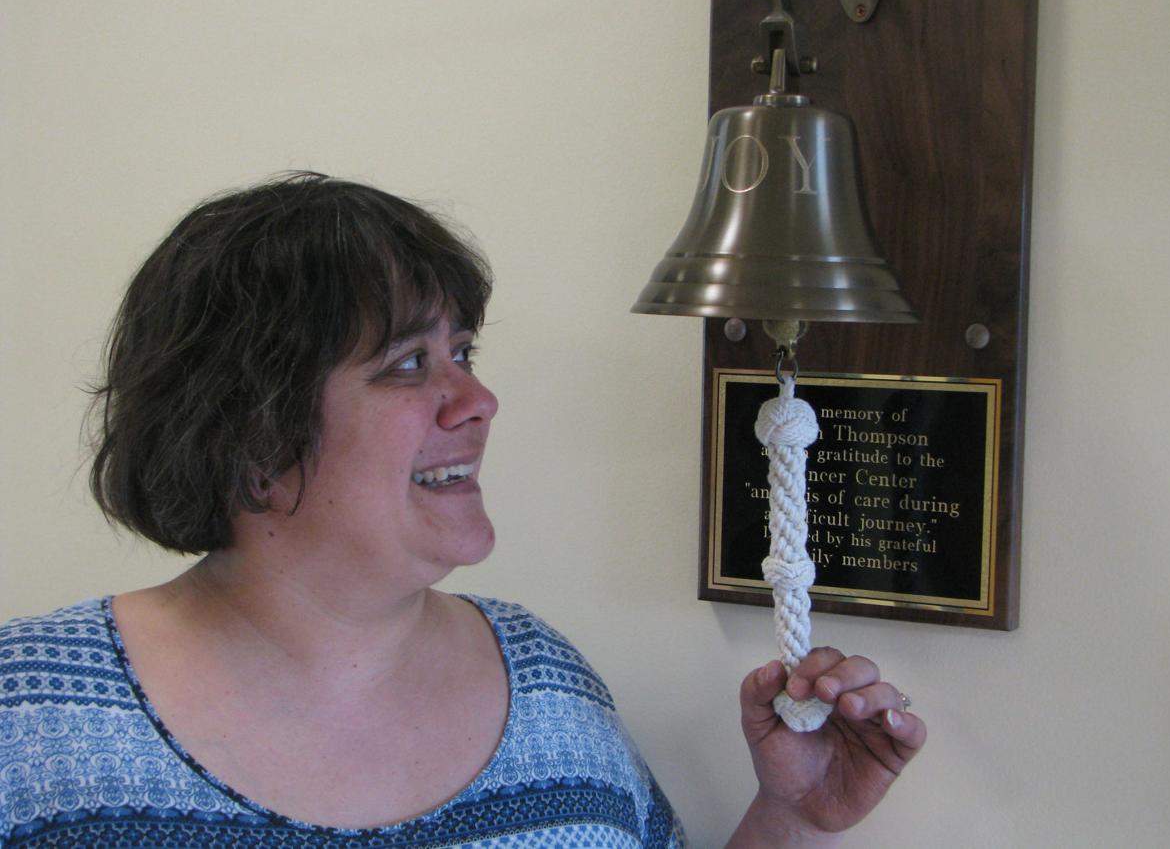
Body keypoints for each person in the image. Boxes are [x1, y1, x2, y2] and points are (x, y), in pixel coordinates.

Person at [0, 174, 924, 847]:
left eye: (464, 353)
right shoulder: (31, 715)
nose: (476, 400)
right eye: (408, 364)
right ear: (252, 429)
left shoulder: (549, 687)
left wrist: (792, 820)